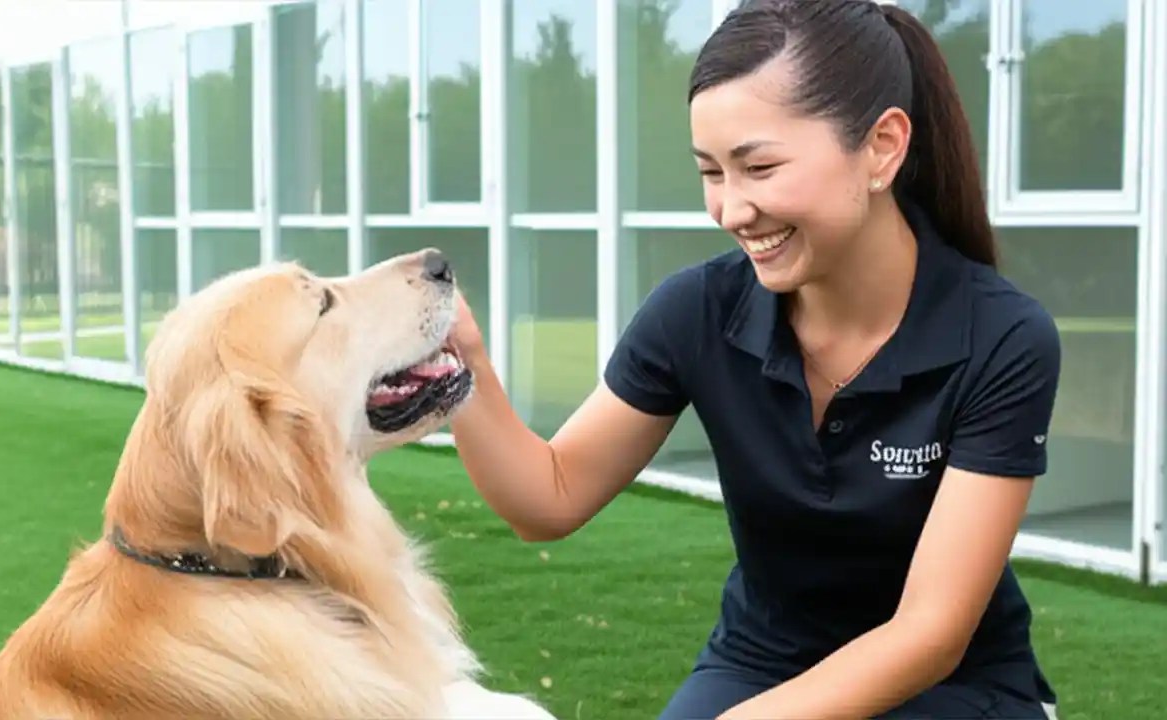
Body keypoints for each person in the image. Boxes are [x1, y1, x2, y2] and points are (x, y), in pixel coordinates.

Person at [446, 1, 1063, 718]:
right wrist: (464, 364)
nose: (731, 209)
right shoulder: (696, 312)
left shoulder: (1003, 337)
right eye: (711, 172)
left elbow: (931, 631)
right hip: (760, 660)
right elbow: (547, 500)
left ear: (882, 148)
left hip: (950, 688)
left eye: (759, 167)